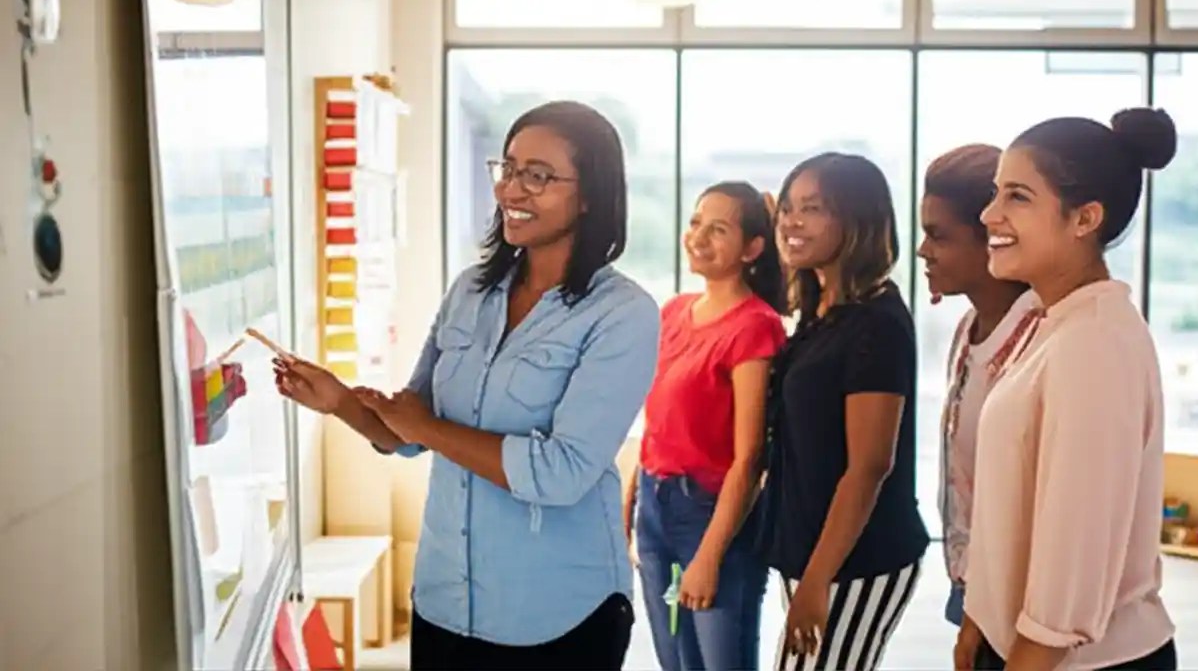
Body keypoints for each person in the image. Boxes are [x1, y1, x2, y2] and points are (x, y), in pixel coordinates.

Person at [274, 101, 660, 671]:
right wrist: (337, 402)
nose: (512, 190)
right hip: (444, 601)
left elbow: (561, 472)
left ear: (590, 197)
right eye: (507, 168)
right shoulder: (472, 290)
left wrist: (422, 426)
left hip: (559, 612)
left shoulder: (623, 313)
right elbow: (404, 432)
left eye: (538, 176)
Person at [956, 109, 1179, 671]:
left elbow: (1071, 557)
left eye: (1018, 197)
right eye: (995, 193)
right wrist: (979, 620)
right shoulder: (1047, 318)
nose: (990, 214)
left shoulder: (1095, 344)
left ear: (1085, 218)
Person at [753, 153, 929, 671]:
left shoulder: (876, 324)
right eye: (786, 208)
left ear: (856, 221)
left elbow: (870, 465)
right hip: (811, 550)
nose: (791, 221)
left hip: (854, 561)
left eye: (813, 208)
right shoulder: (823, 310)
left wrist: (816, 581)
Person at [627, 182, 786, 670]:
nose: (698, 236)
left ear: (753, 249)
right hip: (655, 504)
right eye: (696, 222)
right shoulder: (673, 312)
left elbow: (750, 457)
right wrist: (632, 494)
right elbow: (659, 420)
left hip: (712, 514)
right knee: (675, 662)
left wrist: (710, 556)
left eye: (718, 229)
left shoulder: (757, 326)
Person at [916, 144, 1038, 627]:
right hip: (970, 581)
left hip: (1023, 599)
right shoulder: (969, 328)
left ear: (991, 236)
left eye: (937, 236)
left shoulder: (1042, 339)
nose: (924, 250)